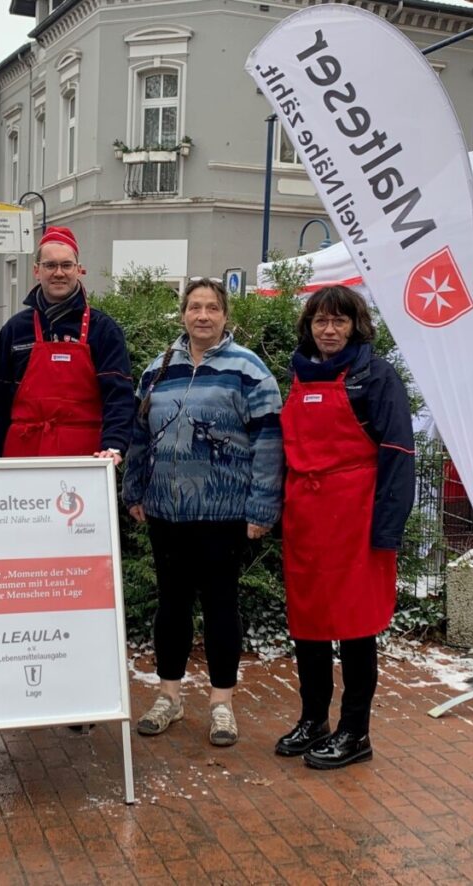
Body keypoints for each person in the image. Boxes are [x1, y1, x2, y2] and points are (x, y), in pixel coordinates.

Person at [122, 278, 283, 747]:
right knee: (170, 606)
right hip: (166, 513)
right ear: (183, 315)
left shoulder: (248, 370)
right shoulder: (159, 369)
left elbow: (270, 443)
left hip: (222, 513)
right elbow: (138, 434)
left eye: (212, 308)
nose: (203, 316)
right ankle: (169, 696)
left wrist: (263, 505)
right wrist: (134, 490)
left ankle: (221, 703)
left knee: (219, 607)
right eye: (195, 307)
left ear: (225, 315)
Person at [276, 286, 415, 770]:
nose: (329, 330)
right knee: (308, 623)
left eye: (339, 321)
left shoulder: (376, 377)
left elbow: (398, 454)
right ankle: (314, 718)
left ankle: (355, 730)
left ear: (356, 326)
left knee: (355, 628)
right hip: (306, 518)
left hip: (357, 517)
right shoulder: (297, 374)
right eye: (320, 321)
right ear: (309, 327)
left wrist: (388, 528)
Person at [0, 226, 134, 464]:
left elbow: (118, 396)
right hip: (22, 455)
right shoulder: (14, 330)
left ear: (79, 270)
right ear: (36, 270)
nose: (59, 273)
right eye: (50, 265)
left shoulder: (103, 329)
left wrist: (113, 445)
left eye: (66, 265)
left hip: (85, 457)